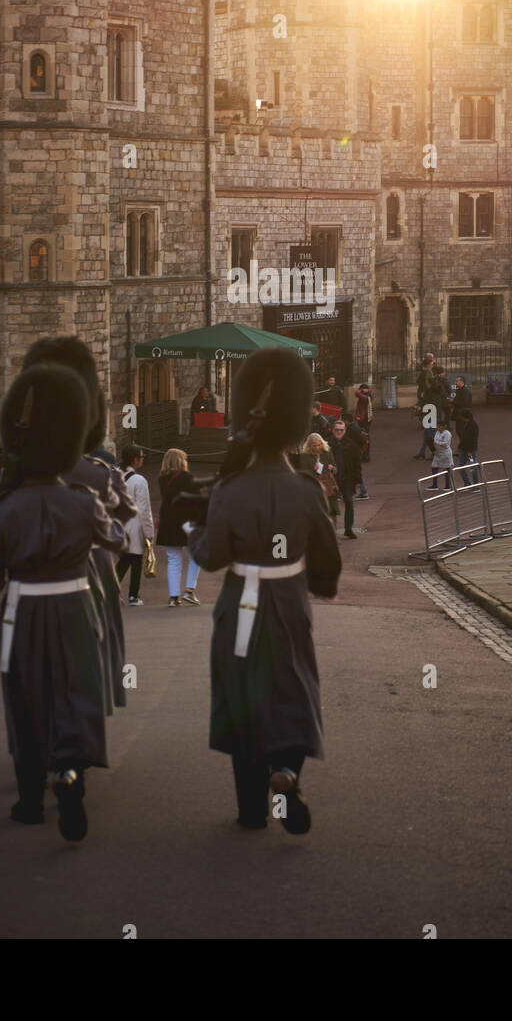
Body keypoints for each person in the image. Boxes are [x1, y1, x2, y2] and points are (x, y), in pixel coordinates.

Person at [186, 346, 342, 833]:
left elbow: (210, 556)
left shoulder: (231, 490)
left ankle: (252, 811)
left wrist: (193, 529)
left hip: (240, 604)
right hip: (289, 602)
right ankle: (288, 770)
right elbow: (327, 567)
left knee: (243, 699)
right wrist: (317, 581)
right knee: (293, 689)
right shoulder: (306, 491)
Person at [0, 361, 125, 842]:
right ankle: (72, 776)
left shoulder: (0, 510)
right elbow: (118, 539)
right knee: (75, 692)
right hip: (77, 605)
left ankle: (29, 801)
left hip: (21, 609)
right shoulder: (82, 500)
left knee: (25, 698)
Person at [22, 336, 137, 714]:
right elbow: (121, 522)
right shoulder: (100, 474)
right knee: (97, 639)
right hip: (90, 568)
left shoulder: (20, 477)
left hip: (33, 576)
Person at [157, 448, 201, 606]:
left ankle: (173, 597)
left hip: (169, 523)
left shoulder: (162, 479)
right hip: (187, 522)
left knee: (173, 560)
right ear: (181, 461)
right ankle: (189, 590)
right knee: (196, 556)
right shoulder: (188, 478)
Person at [116, 443, 154, 606]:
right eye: (141, 457)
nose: (142, 460)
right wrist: (149, 532)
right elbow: (144, 509)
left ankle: (112, 591)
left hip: (118, 523)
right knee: (136, 560)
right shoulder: (139, 480)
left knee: (124, 559)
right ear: (134, 460)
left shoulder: (115, 476)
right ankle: (133, 595)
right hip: (134, 524)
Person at [300, 433, 340, 526]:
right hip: (316, 489)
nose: (317, 448)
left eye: (319, 445)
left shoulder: (327, 452)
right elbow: (304, 475)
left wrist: (332, 468)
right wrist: (314, 470)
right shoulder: (305, 456)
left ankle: (334, 538)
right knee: (320, 514)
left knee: (332, 513)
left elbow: (336, 469)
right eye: (314, 446)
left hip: (329, 488)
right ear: (310, 446)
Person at [332, 418, 362, 540]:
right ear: (332, 430)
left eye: (341, 430)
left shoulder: (351, 444)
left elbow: (357, 464)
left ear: (345, 431)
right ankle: (332, 531)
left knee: (349, 502)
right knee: (331, 506)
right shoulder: (327, 444)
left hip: (347, 478)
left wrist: (358, 480)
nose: (339, 432)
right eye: (337, 430)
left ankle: (348, 529)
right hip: (332, 479)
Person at [354, 384, 373, 499]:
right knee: (366, 438)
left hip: (363, 419)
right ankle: (366, 455)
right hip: (367, 418)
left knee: (364, 438)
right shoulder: (369, 396)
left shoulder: (365, 397)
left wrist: (360, 390)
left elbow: (357, 393)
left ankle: (365, 455)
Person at [457, 409, 480, 486]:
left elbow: (473, 439)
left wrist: (470, 451)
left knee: (473, 467)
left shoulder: (473, 425)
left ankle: (476, 485)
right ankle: (467, 483)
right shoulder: (467, 424)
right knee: (460, 467)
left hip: (470, 451)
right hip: (463, 450)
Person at [429, 420, 453, 490]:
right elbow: (435, 440)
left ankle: (448, 486)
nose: (438, 427)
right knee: (434, 467)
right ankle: (434, 485)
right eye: (437, 426)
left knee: (446, 469)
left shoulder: (447, 434)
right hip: (438, 453)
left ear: (444, 426)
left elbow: (445, 444)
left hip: (445, 454)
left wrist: (436, 442)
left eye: (439, 426)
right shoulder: (437, 432)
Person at [449, 376, 472, 441]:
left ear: (462, 382)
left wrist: (453, 401)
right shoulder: (460, 390)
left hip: (463, 414)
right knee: (459, 431)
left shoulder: (465, 391)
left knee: (461, 431)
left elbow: (464, 403)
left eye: (457, 381)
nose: (455, 382)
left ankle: (464, 446)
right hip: (460, 414)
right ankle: (463, 445)